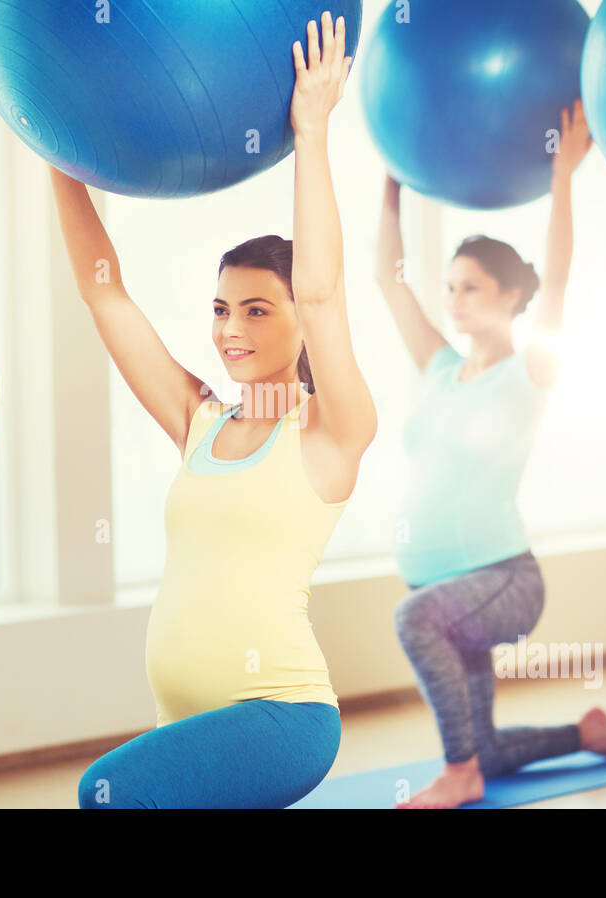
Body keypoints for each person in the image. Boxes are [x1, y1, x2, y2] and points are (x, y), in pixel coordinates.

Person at [53, 13, 375, 809]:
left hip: (282, 714)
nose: (231, 330)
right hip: (184, 718)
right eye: (222, 308)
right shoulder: (198, 420)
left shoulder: (333, 432)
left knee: (106, 791)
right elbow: (103, 291)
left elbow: (327, 293)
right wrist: (55, 146)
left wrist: (311, 134)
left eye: (258, 310)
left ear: (297, 317)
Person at [378, 99, 606, 809]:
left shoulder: (529, 372)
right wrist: (391, 174)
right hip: (445, 591)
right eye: (452, 288)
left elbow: (557, 275)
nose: (456, 300)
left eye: (472, 288)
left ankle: (456, 772)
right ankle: (580, 731)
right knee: (494, 751)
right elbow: (388, 280)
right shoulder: (438, 367)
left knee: (414, 622)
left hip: (503, 580)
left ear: (507, 298)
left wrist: (563, 174)